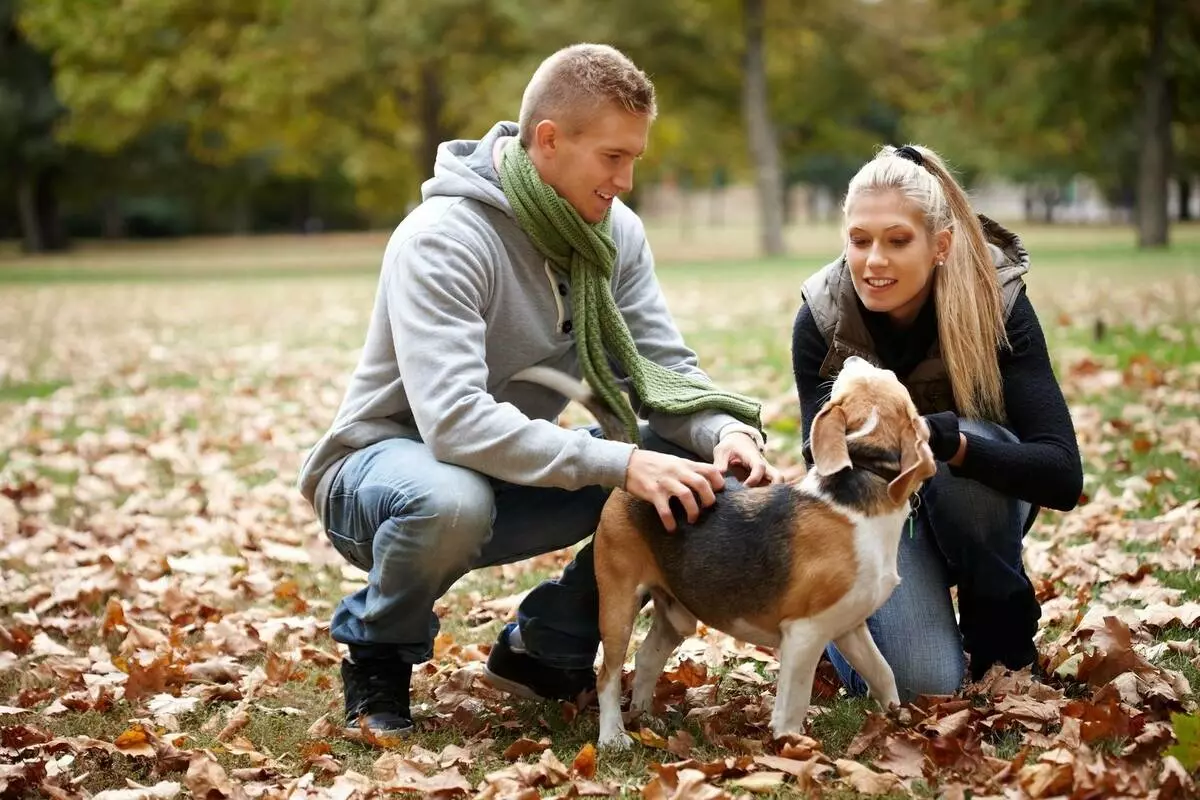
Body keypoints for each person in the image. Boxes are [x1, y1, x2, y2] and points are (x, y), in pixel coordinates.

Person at [297, 43, 775, 735]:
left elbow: (663, 373)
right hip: (381, 476)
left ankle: (549, 644)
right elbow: (454, 425)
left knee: (697, 478)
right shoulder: (443, 238)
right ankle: (377, 654)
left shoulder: (613, 235)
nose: (627, 179)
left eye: (634, 158)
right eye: (613, 157)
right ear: (548, 141)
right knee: (449, 498)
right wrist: (622, 462)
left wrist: (727, 436)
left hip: (504, 473)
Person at [791, 144, 1083, 700]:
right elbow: (824, 472)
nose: (874, 260)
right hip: (878, 517)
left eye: (897, 240)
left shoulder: (997, 304)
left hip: (975, 505)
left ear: (940, 244)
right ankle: (834, 619)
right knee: (924, 684)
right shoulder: (823, 318)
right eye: (860, 240)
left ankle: (1004, 644)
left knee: (965, 458)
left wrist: (949, 441)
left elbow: (1063, 474)